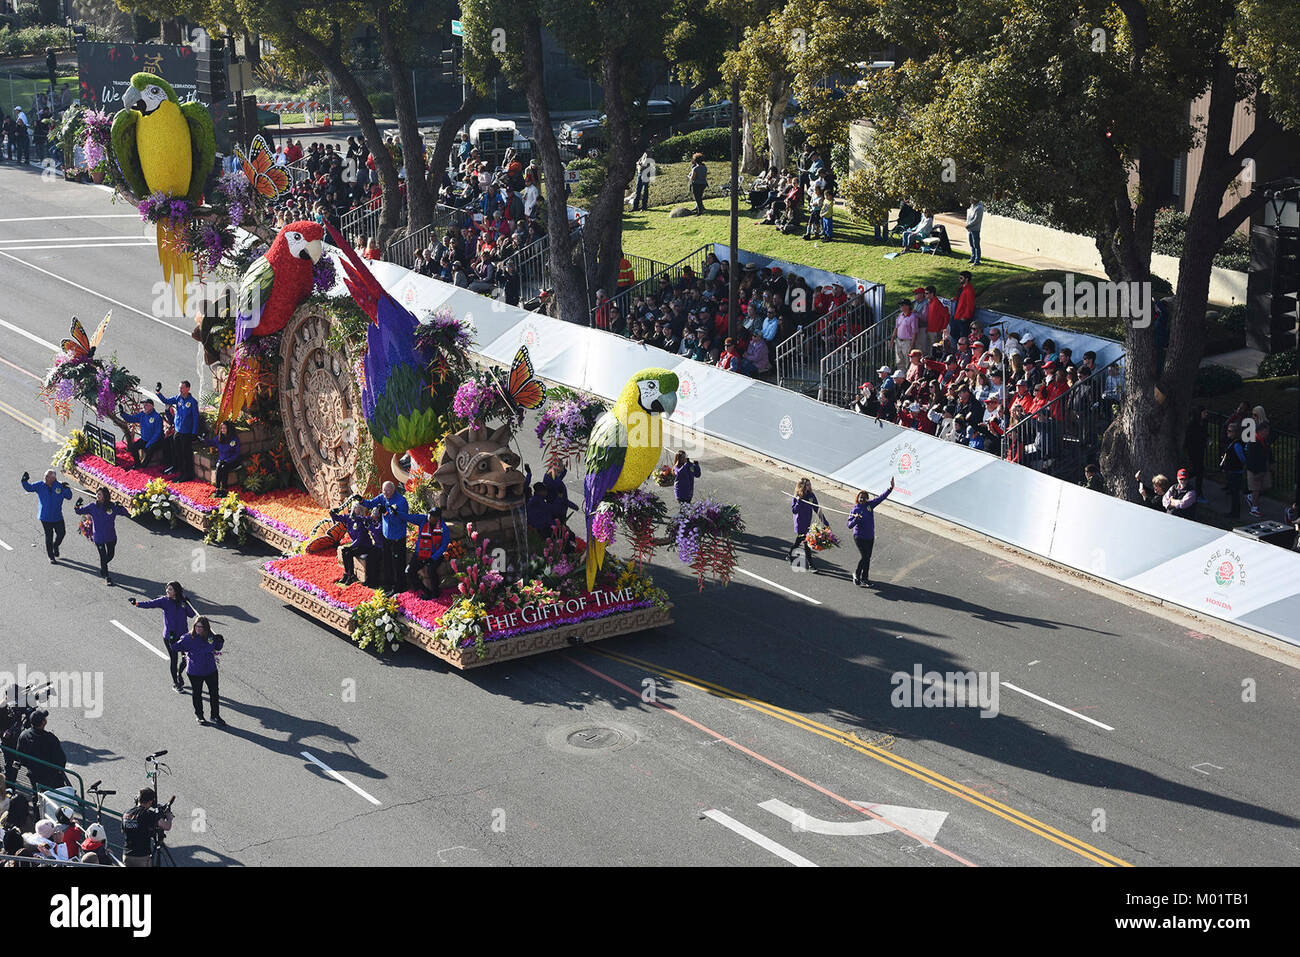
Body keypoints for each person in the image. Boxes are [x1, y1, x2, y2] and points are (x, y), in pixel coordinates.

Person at [129, 581, 196, 693]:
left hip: (184, 636)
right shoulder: (164, 601)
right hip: (170, 636)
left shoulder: (182, 601)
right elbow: (150, 603)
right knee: (174, 660)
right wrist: (136, 604)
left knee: (186, 658)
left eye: (170, 589)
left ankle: (179, 674)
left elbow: (192, 614)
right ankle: (176, 683)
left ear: (176, 591)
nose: (167, 591)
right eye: (167, 589)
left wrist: (188, 603)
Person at [169, 617, 225, 726]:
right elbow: (175, 647)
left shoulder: (210, 637)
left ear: (206, 628)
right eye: (197, 626)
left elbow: (218, 647)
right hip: (195, 672)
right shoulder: (188, 638)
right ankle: (199, 716)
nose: (198, 629)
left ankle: (215, 716)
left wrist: (220, 640)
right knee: (197, 694)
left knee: (214, 694)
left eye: (201, 627)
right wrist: (171, 638)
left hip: (210, 670)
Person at [74, 488, 130, 585]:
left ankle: (103, 566)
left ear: (105, 496)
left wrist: (121, 506)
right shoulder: (92, 506)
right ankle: (106, 576)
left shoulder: (112, 506)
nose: (97, 496)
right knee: (103, 556)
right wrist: (77, 504)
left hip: (110, 536)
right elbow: (78, 511)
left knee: (110, 555)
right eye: (97, 494)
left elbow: (125, 513)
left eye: (100, 494)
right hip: (99, 537)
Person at [361, 481, 410, 589]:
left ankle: (399, 587)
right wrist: (361, 500)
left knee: (398, 563)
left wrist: (386, 513)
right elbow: (370, 504)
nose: (385, 493)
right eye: (383, 490)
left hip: (398, 537)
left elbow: (398, 520)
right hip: (386, 536)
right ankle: (388, 585)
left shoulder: (401, 502)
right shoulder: (383, 497)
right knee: (387, 561)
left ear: (393, 490)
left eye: (387, 490)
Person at [847, 478, 894, 587]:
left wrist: (890, 488)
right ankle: (857, 574)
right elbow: (849, 525)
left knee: (867, 558)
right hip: (859, 537)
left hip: (870, 537)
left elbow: (880, 498)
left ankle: (864, 578)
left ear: (867, 499)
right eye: (860, 497)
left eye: (864, 497)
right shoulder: (855, 510)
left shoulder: (869, 505)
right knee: (865, 557)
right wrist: (856, 519)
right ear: (857, 498)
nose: (862, 499)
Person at [20, 469, 72, 563]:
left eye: (47, 476)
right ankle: (51, 556)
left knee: (61, 533)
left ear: (53, 478)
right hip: (45, 516)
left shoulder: (59, 486)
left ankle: (55, 545)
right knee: (49, 536)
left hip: (57, 516)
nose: (45, 477)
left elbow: (69, 496)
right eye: (45, 475)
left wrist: (66, 488)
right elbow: (29, 488)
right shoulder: (40, 485)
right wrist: (24, 480)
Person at [157, 380, 200, 481]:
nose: (179, 390)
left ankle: (188, 474)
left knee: (186, 454)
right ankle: (180, 472)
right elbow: (166, 401)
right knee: (178, 453)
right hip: (178, 431)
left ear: (187, 389)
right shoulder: (178, 398)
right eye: (179, 388)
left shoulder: (192, 402)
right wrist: (158, 393)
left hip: (186, 432)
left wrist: (194, 432)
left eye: (182, 388)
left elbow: (195, 417)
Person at [15, 709, 67, 792]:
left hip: (33, 774)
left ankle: (36, 803)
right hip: (51, 776)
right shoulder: (51, 739)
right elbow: (61, 759)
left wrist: (30, 766)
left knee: (37, 793)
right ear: (43, 722)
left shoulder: (23, 735)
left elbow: (20, 755)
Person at [331, 499, 380, 586]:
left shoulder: (362, 520)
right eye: (355, 507)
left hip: (364, 545)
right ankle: (347, 574)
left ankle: (351, 575)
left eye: (358, 508)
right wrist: (332, 512)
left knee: (348, 552)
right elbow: (337, 518)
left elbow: (360, 538)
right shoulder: (349, 518)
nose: (356, 509)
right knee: (344, 551)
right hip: (356, 545)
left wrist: (351, 546)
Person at [121, 787, 172, 867]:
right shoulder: (147, 814)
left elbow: (123, 831)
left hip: (127, 855)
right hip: (141, 857)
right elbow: (166, 826)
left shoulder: (126, 813)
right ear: (150, 801)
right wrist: (169, 817)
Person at [405, 510, 449, 599]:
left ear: (437, 518)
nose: (428, 518)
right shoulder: (423, 519)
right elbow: (408, 517)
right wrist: (396, 513)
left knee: (431, 569)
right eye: (428, 516)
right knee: (409, 571)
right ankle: (425, 591)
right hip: (422, 553)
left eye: (431, 517)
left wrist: (433, 558)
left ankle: (436, 592)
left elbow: (444, 546)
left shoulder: (443, 528)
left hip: (435, 555)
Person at [790, 478, 828, 572]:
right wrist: (799, 501)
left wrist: (825, 522)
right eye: (807, 485)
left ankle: (789, 554)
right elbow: (794, 510)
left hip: (807, 522)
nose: (809, 486)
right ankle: (811, 565)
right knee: (807, 543)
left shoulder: (811, 496)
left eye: (809, 485)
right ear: (801, 486)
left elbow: (816, 508)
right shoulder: (797, 496)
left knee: (798, 541)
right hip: (800, 523)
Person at [121, 398, 166, 469]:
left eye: (146, 405)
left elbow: (157, 433)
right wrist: (122, 413)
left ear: (152, 406)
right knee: (133, 448)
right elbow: (131, 419)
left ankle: (143, 466)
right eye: (144, 405)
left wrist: (149, 443)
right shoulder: (142, 414)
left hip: (156, 440)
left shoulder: (157, 417)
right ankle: (137, 464)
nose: (144, 407)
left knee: (149, 450)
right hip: (145, 439)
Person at [1243, 423, 1273, 518]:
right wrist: (1255, 472)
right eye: (1266, 430)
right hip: (1255, 470)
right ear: (1261, 431)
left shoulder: (1263, 440)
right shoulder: (1254, 441)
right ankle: (1254, 508)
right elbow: (1251, 458)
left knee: (1264, 486)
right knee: (1256, 489)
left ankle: (1251, 498)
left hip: (1262, 468)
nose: (1268, 432)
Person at [205, 420, 242, 495]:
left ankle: (224, 489)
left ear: (229, 429)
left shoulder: (234, 439)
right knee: (218, 466)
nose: (222, 430)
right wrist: (204, 439)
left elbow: (237, 453)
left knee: (224, 467)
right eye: (221, 428)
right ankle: (218, 488)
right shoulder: (219, 437)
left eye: (224, 428)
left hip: (232, 460)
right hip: (221, 459)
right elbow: (212, 442)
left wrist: (228, 460)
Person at [965, 199, 984, 265]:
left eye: (972, 198)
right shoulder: (972, 206)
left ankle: (977, 260)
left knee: (976, 245)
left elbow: (976, 220)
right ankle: (972, 258)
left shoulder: (979, 208)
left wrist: (968, 225)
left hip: (975, 229)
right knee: (971, 244)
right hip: (970, 229)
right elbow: (969, 217)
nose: (970, 200)